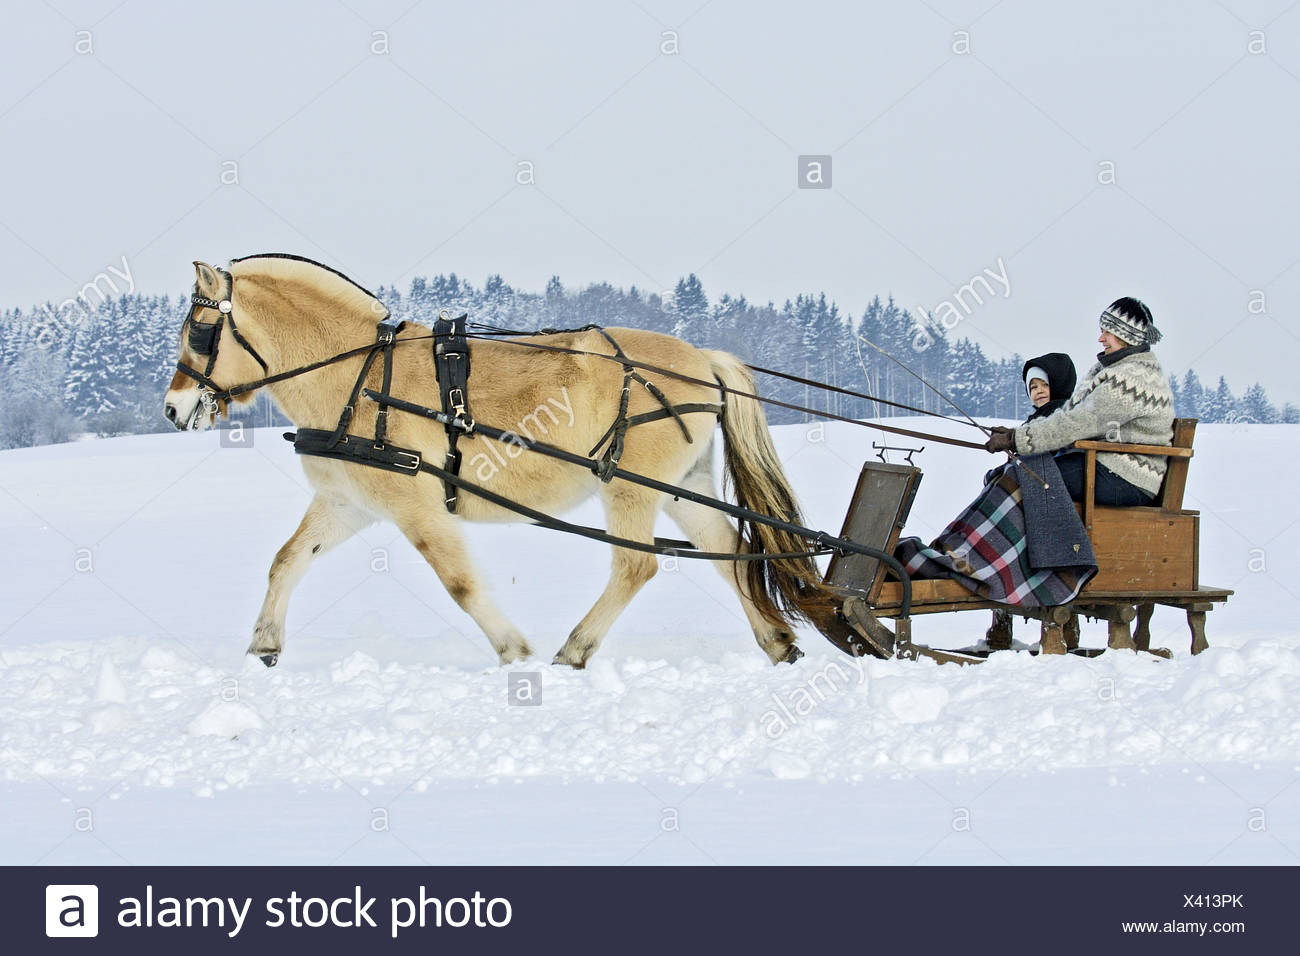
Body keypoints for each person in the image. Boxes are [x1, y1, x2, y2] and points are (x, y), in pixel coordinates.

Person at [985, 297, 1174, 507]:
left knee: (1023, 478)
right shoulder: (1115, 370)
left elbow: (1079, 423)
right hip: (1107, 466)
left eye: (1107, 332)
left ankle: (985, 539)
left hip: (1127, 476)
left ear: (1125, 335)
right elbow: (1069, 414)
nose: (1101, 339)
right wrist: (1017, 434)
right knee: (1013, 473)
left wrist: (1017, 439)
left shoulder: (1132, 378)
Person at [984, 352, 1078, 649]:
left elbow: (1049, 454)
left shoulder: (1064, 416)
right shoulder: (1037, 420)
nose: (1037, 391)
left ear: (1059, 385)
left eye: (1043, 384)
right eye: (1032, 386)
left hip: (1054, 495)